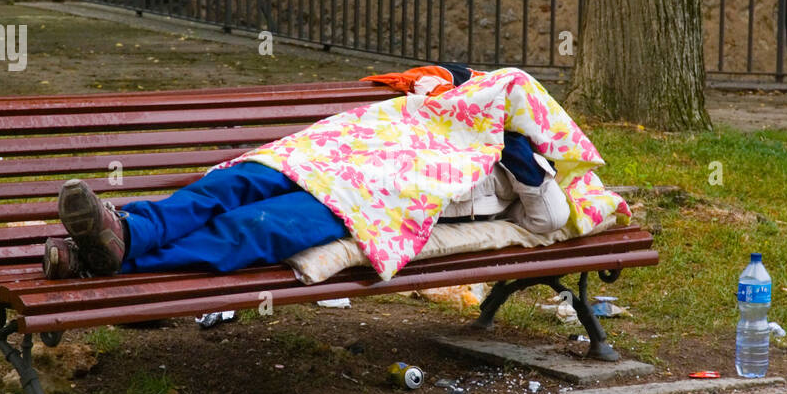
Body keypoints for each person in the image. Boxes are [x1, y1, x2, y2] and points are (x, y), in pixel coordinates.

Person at [43, 114, 569, 280]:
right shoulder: (450, 118)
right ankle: (132, 230)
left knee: (259, 226)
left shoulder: (524, 166)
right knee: (236, 182)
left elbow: (548, 220)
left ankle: (100, 260)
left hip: (369, 204)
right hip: (338, 163)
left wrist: (516, 150)